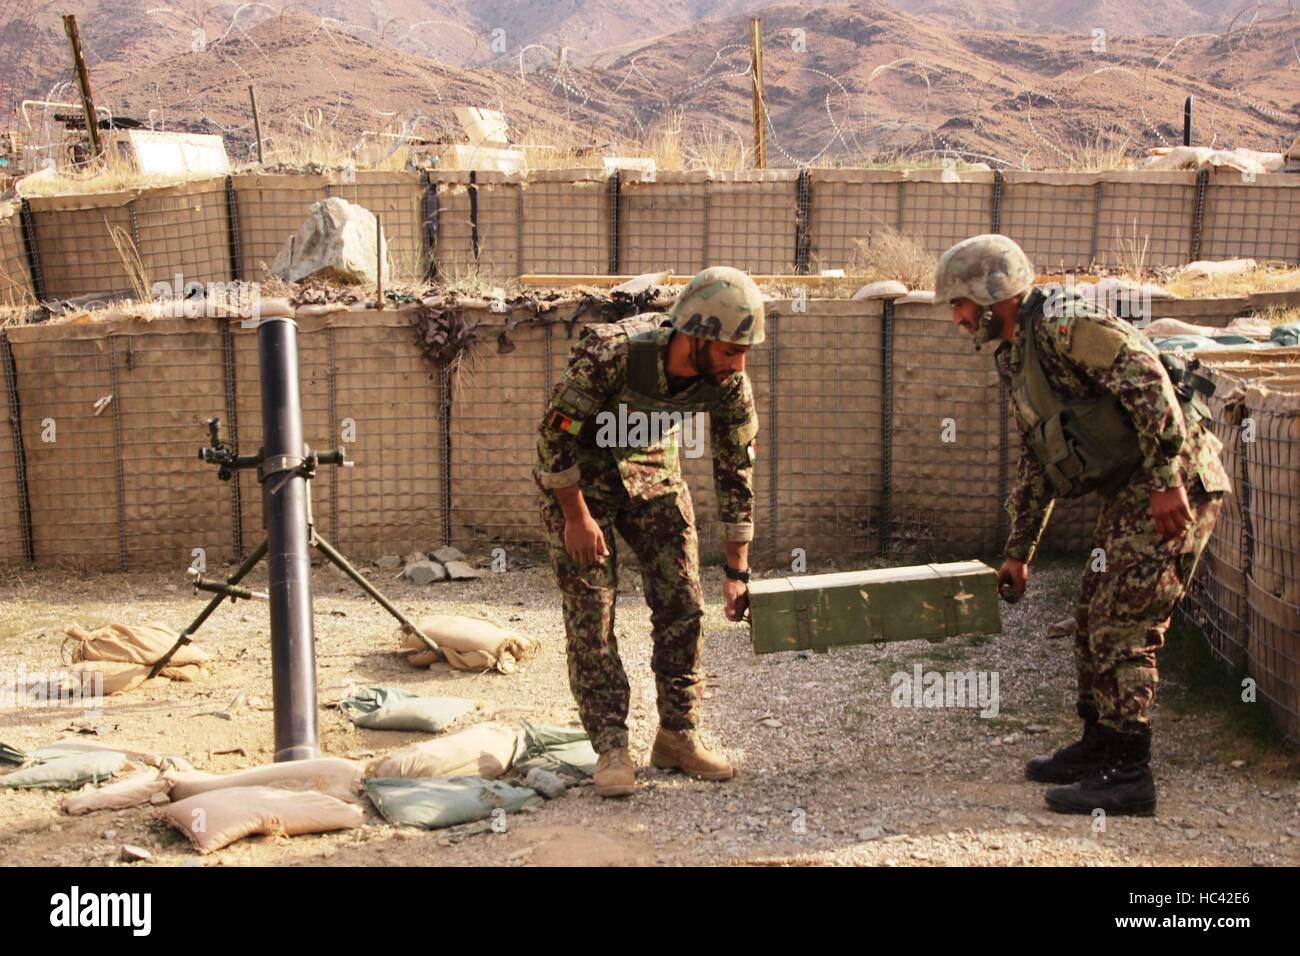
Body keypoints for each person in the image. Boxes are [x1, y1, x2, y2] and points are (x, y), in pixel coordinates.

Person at [936, 234, 1230, 816]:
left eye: (959, 305)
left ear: (991, 297)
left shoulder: (1067, 325)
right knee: (1095, 614)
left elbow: (1149, 380)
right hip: (1137, 490)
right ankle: (1100, 743)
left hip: (1174, 484)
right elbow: (1036, 458)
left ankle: (1129, 773)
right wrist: (1020, 551)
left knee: (1125, 624)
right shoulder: (1017, 356)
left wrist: (1167, 480)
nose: (956, 319)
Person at [535, 266, 763, 797]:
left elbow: (736, 469)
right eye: (732, 349)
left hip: (651, 472)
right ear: (696, 336)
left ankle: (677, 735)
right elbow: (554, 437)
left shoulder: (729, 379)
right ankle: (612, 747)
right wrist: (575, 516)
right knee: (593, 613)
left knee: (683, 602)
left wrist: (737, 570)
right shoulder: (613, 353)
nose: (739, 363)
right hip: (580, 481)